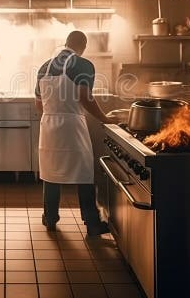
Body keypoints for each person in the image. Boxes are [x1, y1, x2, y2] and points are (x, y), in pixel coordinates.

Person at [35, 30, 114, 236]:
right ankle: (92, 223)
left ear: (66, 42)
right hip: (72, 126)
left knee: (51, 173)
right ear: (83, 45)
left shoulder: (44, 67)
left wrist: (54, 113)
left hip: (49, 126)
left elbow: (38, 103)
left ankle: (50, 218)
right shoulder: (83, 65)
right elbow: (85, 97)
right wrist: (104, 118)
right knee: (84, 173)